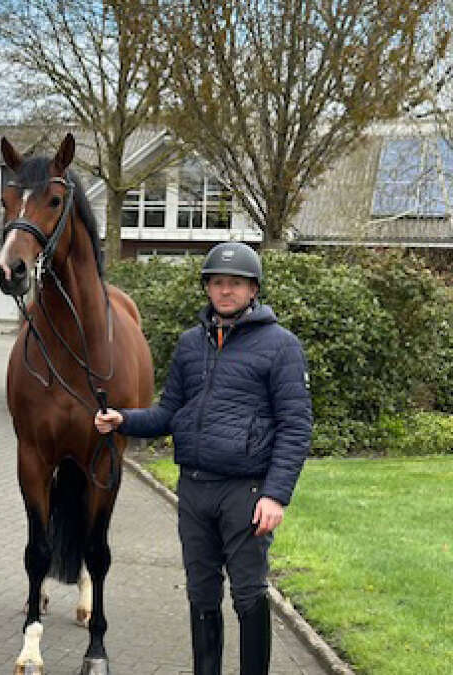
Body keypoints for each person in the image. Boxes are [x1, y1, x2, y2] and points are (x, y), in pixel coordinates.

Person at [94, 242, 312, 675]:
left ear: (253, 290)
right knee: (201, 592)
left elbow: (295, 426)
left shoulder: (281, 346)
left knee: (249, 592)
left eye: (235, 283)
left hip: (246, 493)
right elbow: (170, 413)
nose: (225, 291)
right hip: (194, 488)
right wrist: (124, 419)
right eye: (217, 283)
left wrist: (275, 496)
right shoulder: (191, 345)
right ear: (207, 289)